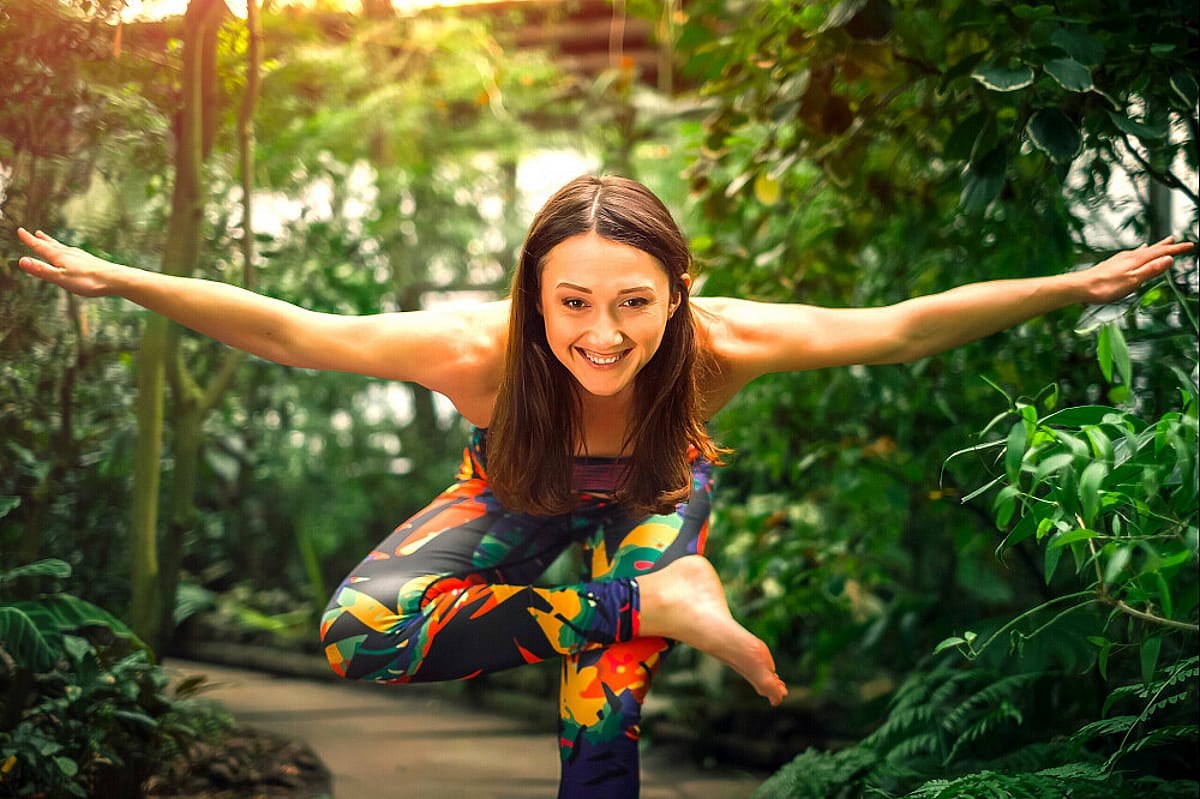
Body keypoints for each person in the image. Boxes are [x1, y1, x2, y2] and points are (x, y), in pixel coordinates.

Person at [14, 175, 1193, 798]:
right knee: (354, 633)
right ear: (533, 295)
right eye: (572, 302)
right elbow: (287, 327)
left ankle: (645, 608)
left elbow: (898, 325)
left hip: (650, 505)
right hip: (515, 497)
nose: (603, 333)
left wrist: (1066, 285)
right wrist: (120, 277)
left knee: (604, 700)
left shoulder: (723, 343)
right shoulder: (478, 349)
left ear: (678, 289)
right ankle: (663, 602)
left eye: (633, 301)